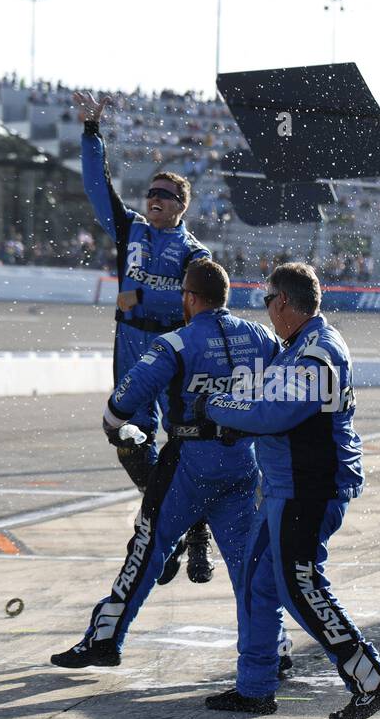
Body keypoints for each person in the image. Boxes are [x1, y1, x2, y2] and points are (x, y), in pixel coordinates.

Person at [196, 263, 380, 719]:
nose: (266, 311)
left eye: (268, 301)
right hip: (285, 488)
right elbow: (272, 413)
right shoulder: (298, 347)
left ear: (284, 302)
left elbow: (274, 414)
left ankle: (371, 677)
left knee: (299, 587)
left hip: (310, 489)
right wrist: (235, 421)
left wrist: (217, 407)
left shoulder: (318, 351)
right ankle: (255, 688)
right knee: (257, 581)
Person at [49, 260, 280, 669]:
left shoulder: (176, 342)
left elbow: (127, 396)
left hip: (187, 465)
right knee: (250, 566)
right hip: (243, 464)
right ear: (225, 296)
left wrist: (113, 426)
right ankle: (273, 649)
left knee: (147, 550)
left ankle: (104, 638)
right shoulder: (261, 336)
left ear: (189, 298)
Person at [74, 89, 217, 585]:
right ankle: (169, 517)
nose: (153, 199)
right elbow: (97, 185)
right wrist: (92, 131)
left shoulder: (195, 252)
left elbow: (210, 303)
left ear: (182, 206)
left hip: (176, 351)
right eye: (151, 193)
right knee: (127, 436)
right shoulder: (128, 229)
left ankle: (192, 531)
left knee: (186, 441)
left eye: (165, 195)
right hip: (132, 343)